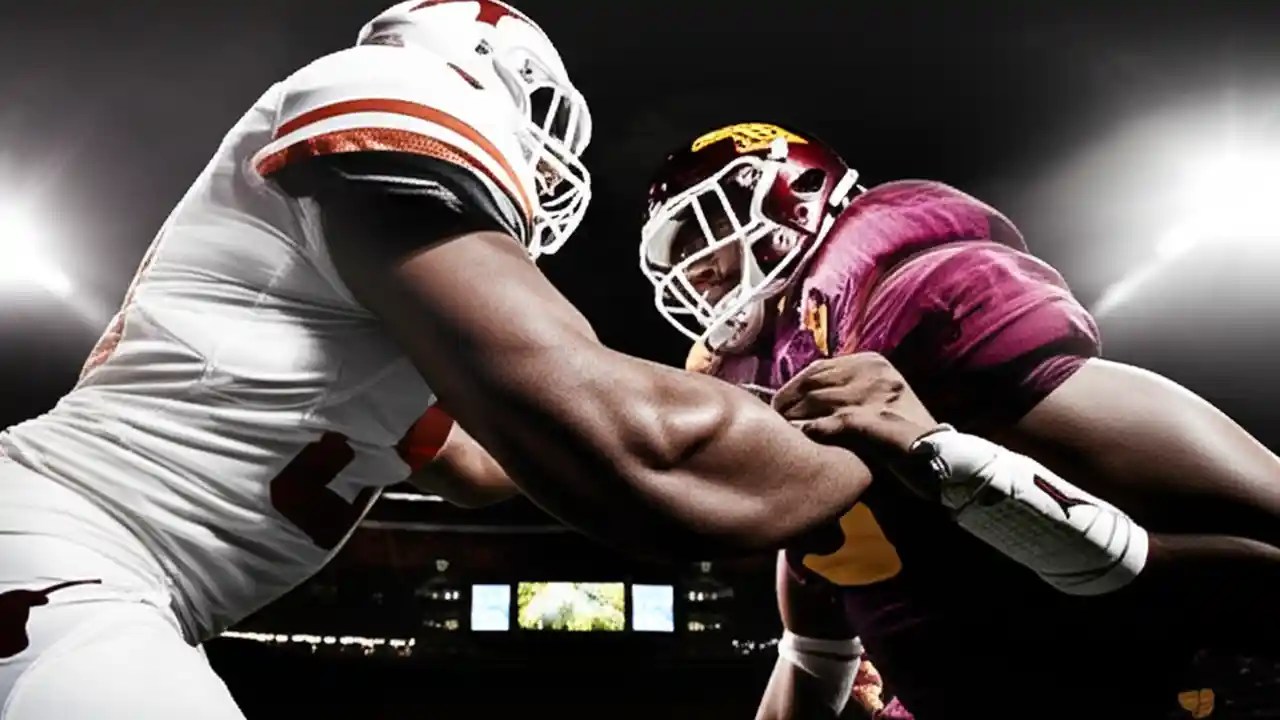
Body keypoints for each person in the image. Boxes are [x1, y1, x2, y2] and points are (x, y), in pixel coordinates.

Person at [0, 6, 878, 717]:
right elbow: (627, 447)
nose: (546, 158)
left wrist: (730, 390)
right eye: (542, 123)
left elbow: (488, 465)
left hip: (104, 571)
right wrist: (888, 446)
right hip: (65, 549)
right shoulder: (395, 86)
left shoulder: (379, 314)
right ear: (489, 76)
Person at [640, 122, 1280, 719]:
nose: (693, 266)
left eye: (699, 232)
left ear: (793, 196)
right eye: (679, 253)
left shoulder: (913, 307)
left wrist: (942, 456)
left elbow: (1253, 524)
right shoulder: (796, 408)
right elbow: (810, 657)